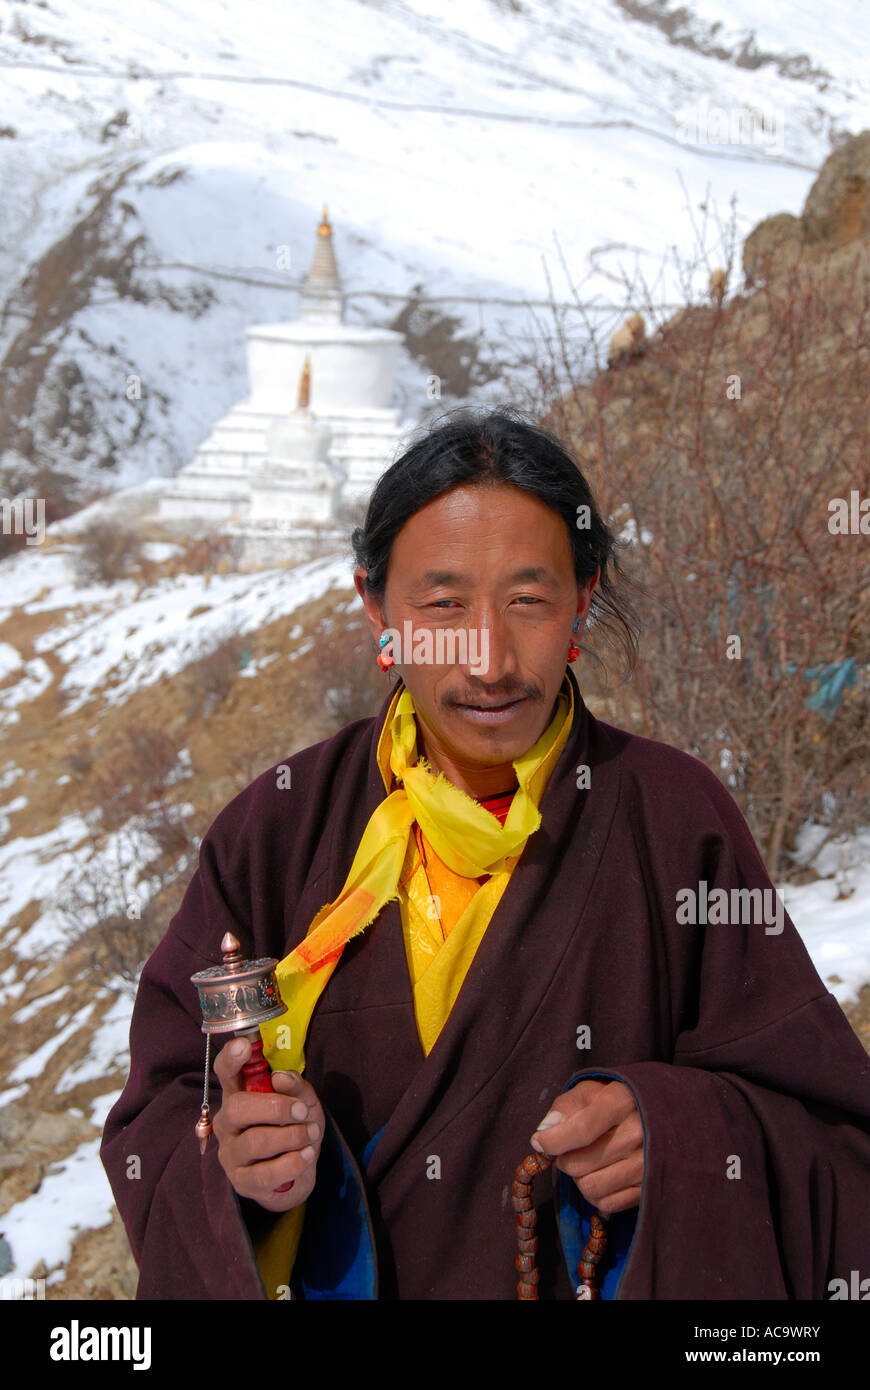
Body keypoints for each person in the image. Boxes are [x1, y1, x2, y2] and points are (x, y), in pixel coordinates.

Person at [101, 407, 870, 1300]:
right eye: (442, 605)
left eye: (528, 601)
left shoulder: (670, 818)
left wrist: (676, 1137)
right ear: (377, 610)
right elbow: (157, 1122)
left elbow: (835, 1144)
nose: (491, 661)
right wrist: (234, 1169)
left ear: (582, 600)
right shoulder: (278, 831)